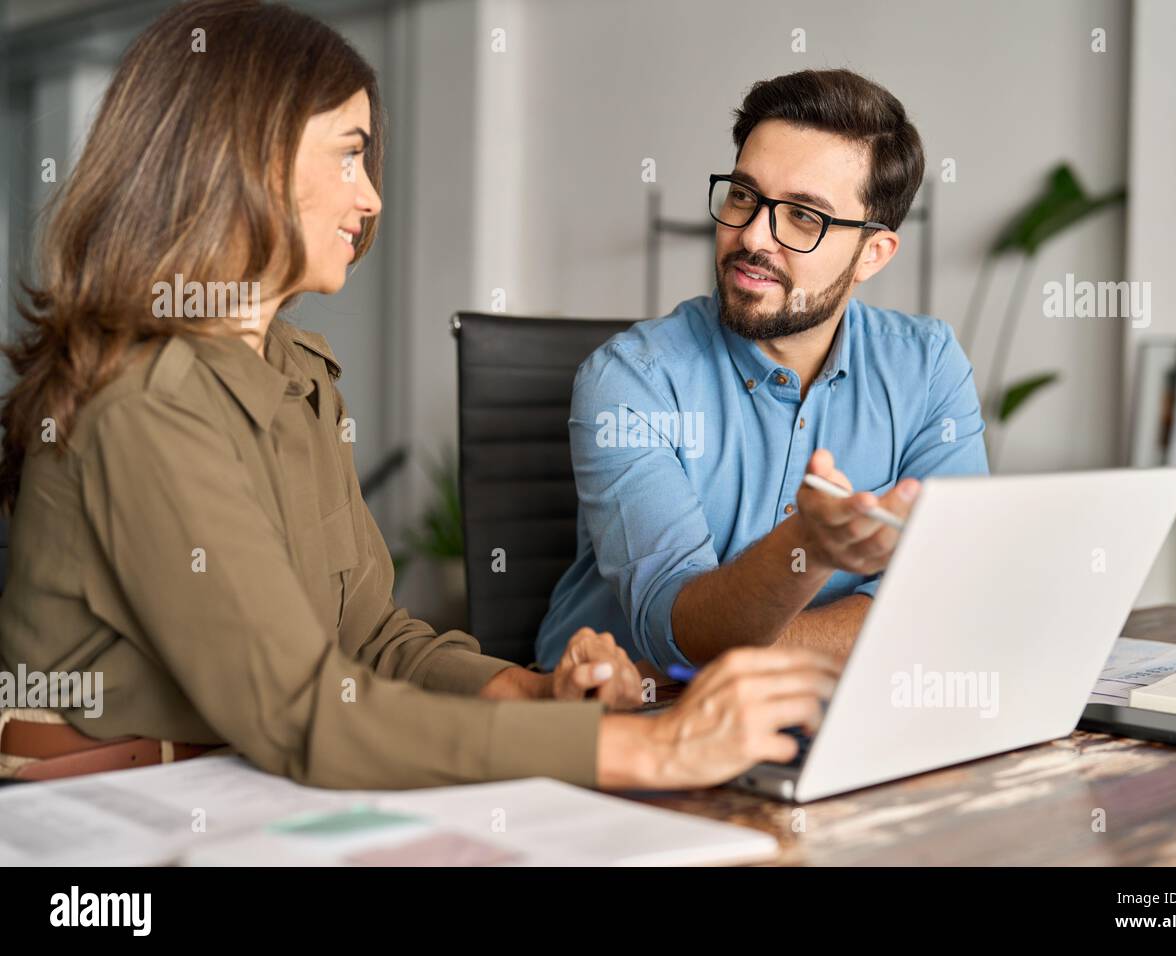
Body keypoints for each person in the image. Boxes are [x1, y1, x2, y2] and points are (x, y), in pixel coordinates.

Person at [0, 0, 838, 789]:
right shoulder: (147, 398)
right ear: (243, 153)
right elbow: (304, 714)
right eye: (347, 152)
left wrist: (526, 692)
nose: (369, 197)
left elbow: (371, 638)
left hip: (235, 781)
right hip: (107, 804)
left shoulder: (296, 373)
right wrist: (651, 747)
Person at [537, 69, 989, 674]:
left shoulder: (927, 366)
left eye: (804, 216)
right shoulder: (631, 380)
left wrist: (763, 652)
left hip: (828, 711)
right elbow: (676, 629)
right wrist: (811, 547)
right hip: (626, 721)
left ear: (872, 254)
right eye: (744, 195)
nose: (752, 236)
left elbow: (951, 592)